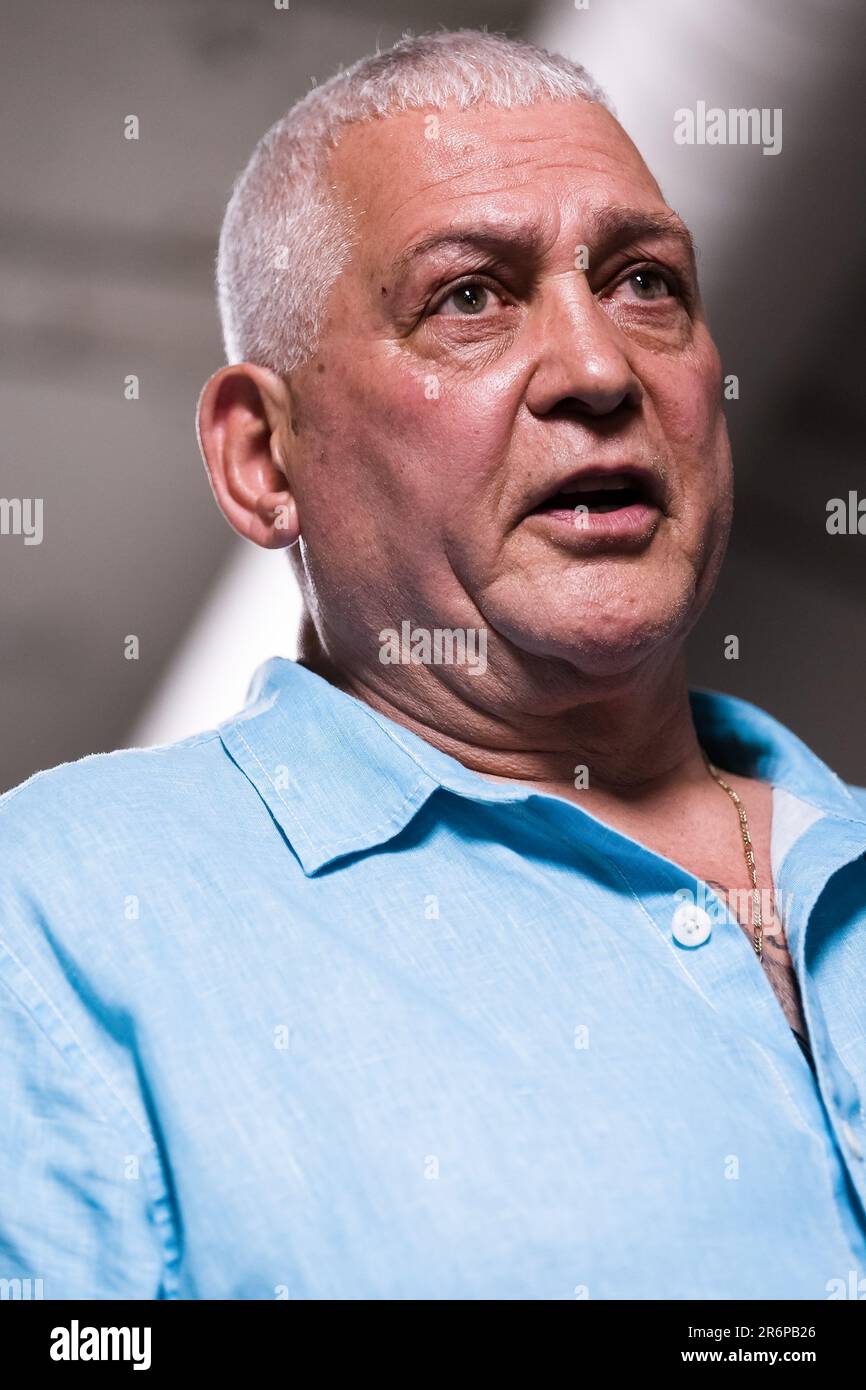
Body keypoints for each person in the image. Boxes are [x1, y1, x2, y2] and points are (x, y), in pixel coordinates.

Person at [1, 29, 864, 1301]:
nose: (595, 369)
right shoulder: (60, 904)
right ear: (262, 458)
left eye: (643, 282)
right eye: (468, 296)